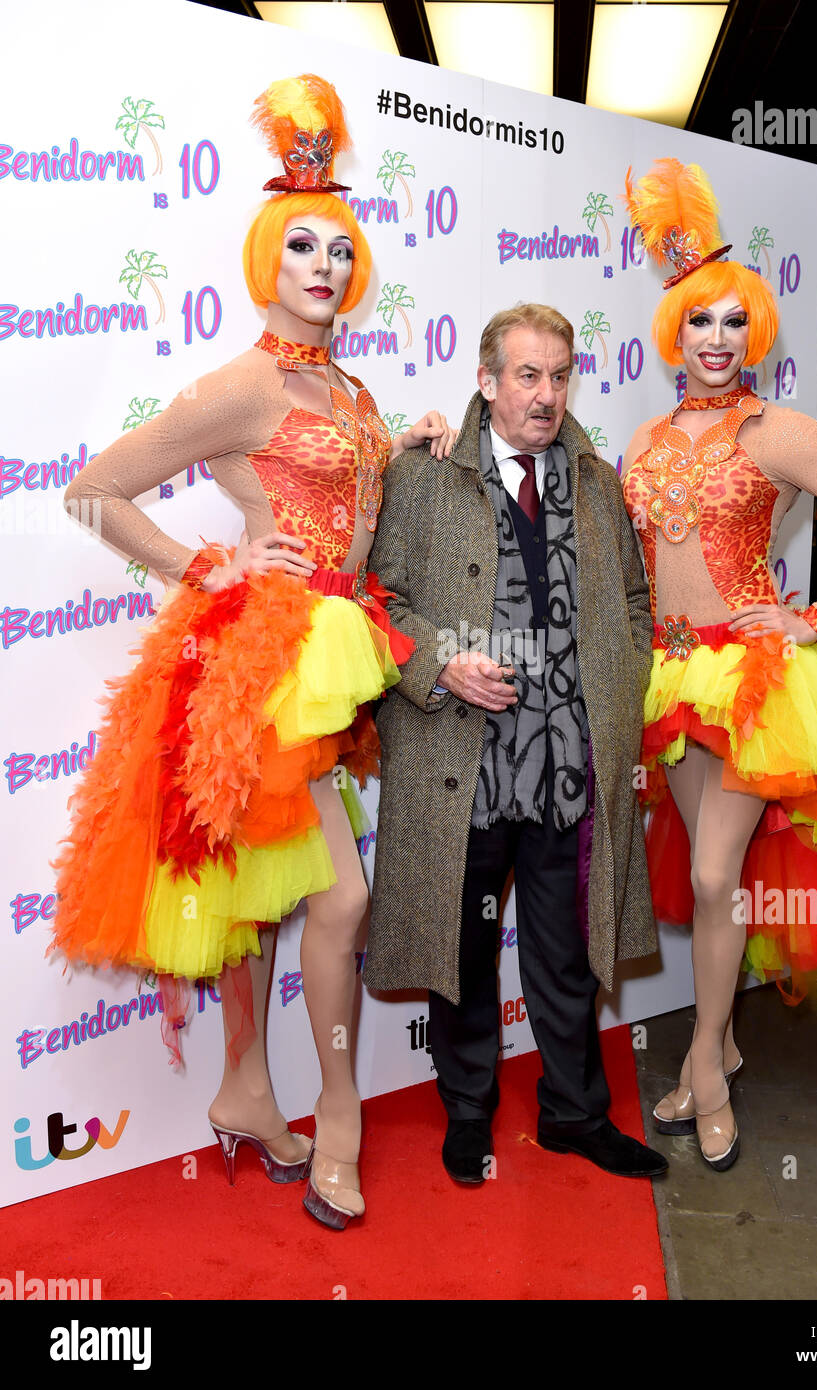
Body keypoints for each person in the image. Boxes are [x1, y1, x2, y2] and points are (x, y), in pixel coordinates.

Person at [49, 74, 455, 1229]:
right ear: (268, 259)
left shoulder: (348, 384)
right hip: (267, 660)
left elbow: (355, 481)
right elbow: (96, 488)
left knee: (270, 891)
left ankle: (245, 1088)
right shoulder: (245, 382)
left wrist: (408, 437)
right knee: (338, 898)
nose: (323, 266)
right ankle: (340, 1117)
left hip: (338, 649)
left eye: (340, 248)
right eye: (302, 247)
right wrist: (204, 563)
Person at [620, 158, 817, 1171]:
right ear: (674, 332)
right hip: (669, 681)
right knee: (712, 878)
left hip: (751, 680)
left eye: (733, 323)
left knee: (711, 873)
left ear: (756, 333)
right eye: (697, 322)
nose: (715, 340)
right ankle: (725, 1039)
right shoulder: (645, 441)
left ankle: (705, 1060)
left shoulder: (778, 428)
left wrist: (816, 617)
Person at [365, 303, 667, 1183]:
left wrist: (613, 697)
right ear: (486, 381)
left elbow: (636, 605)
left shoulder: (597, 479)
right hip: (462, 759)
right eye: (525, 376)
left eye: (559, 375)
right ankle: (468, 1112)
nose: (544, 395)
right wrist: (440, 668)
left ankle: (576, 1113)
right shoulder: (421, 479)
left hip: (570, 764)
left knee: (567, 949)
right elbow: (378, 602)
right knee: (458, 947)